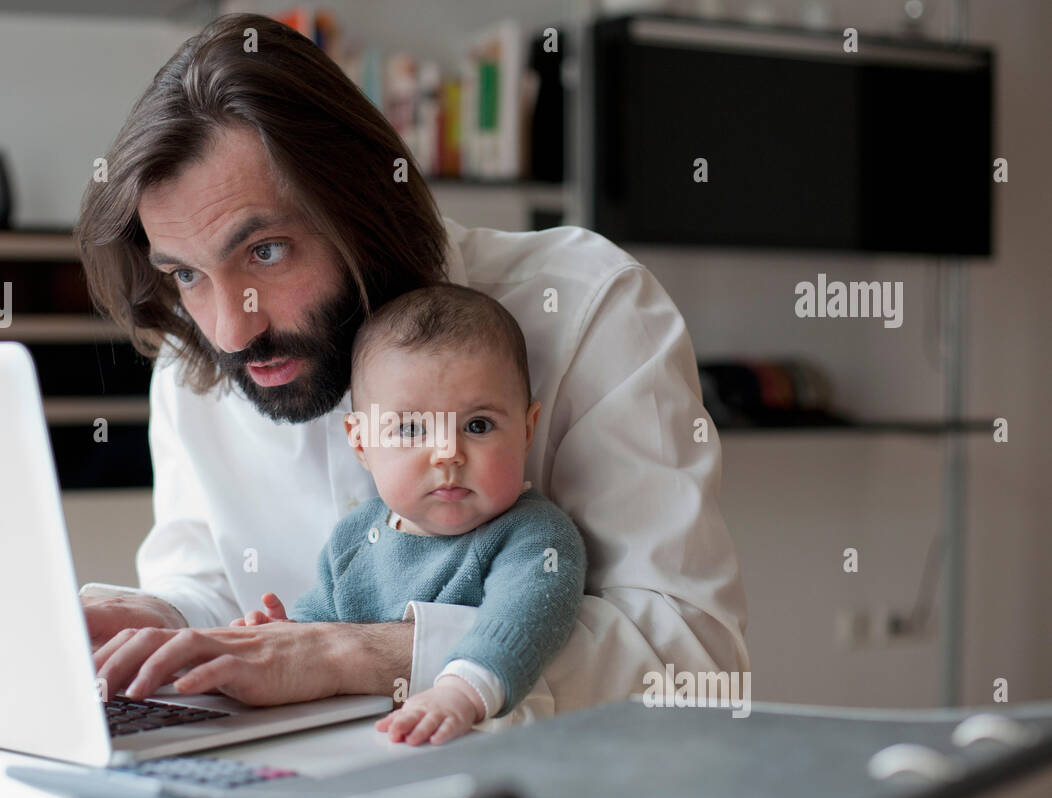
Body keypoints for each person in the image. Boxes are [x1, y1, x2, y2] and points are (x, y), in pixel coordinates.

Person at [77, 13, 749, 732]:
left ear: (363, 208)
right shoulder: (195, 366)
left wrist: (353, 655)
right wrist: (163, 617)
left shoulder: (590, 308)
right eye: (185, 273)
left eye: (266, 252)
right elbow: (213, 579)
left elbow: (693, 661)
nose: (230, 329)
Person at [227, 283, 586, 745]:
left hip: (486, 751)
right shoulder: (354, 538)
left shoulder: (534, 536)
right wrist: (284, 636)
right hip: (372, 749)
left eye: (478, 425)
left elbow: (522, 619)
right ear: (361, 443)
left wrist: (460, 693)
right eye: (412, 428)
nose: (448, 453)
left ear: (526, 430)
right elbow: (322, 630)